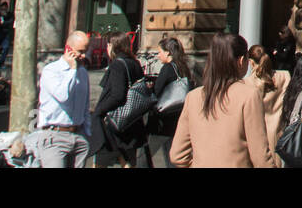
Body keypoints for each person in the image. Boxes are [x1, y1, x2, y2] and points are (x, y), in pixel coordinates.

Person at [170, 33, 271, 168]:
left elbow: (177, 155)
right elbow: (261, 157)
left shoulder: (193, 97)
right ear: (241, 60)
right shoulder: (249, 96)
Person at [90, 31, 148, 167]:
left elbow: (117, 95)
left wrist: (99, 111)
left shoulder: (117, 65)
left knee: (100, 162)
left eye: (108, 44)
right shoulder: (135, 63)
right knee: (127, 161)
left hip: (115, 124)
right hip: (131, 121)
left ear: (112, 46)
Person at [34, 31, 91, 168]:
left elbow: (85, 105)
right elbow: (63, 96)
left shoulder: (82, 73)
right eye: (80, 51)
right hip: (55, 135)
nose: (83, 56)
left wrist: (87, 134)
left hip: (78, 136)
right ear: (68, 49)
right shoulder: (51, 71)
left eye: (86, 51)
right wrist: (72, 70)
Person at [145, 36, 191, 168]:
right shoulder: (183, 67)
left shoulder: (167, 68)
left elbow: (157, 91)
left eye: (160, 52)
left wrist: (149, 89)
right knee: (171, 155)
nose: (158, 56)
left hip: (163, 120)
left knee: (144, 154)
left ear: (168, 52)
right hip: (177, 118)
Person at [247, 44, 292, 166]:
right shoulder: (284, 76)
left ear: (251, 62)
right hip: (279, 132)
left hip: (257, 134)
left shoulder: (249, 83)